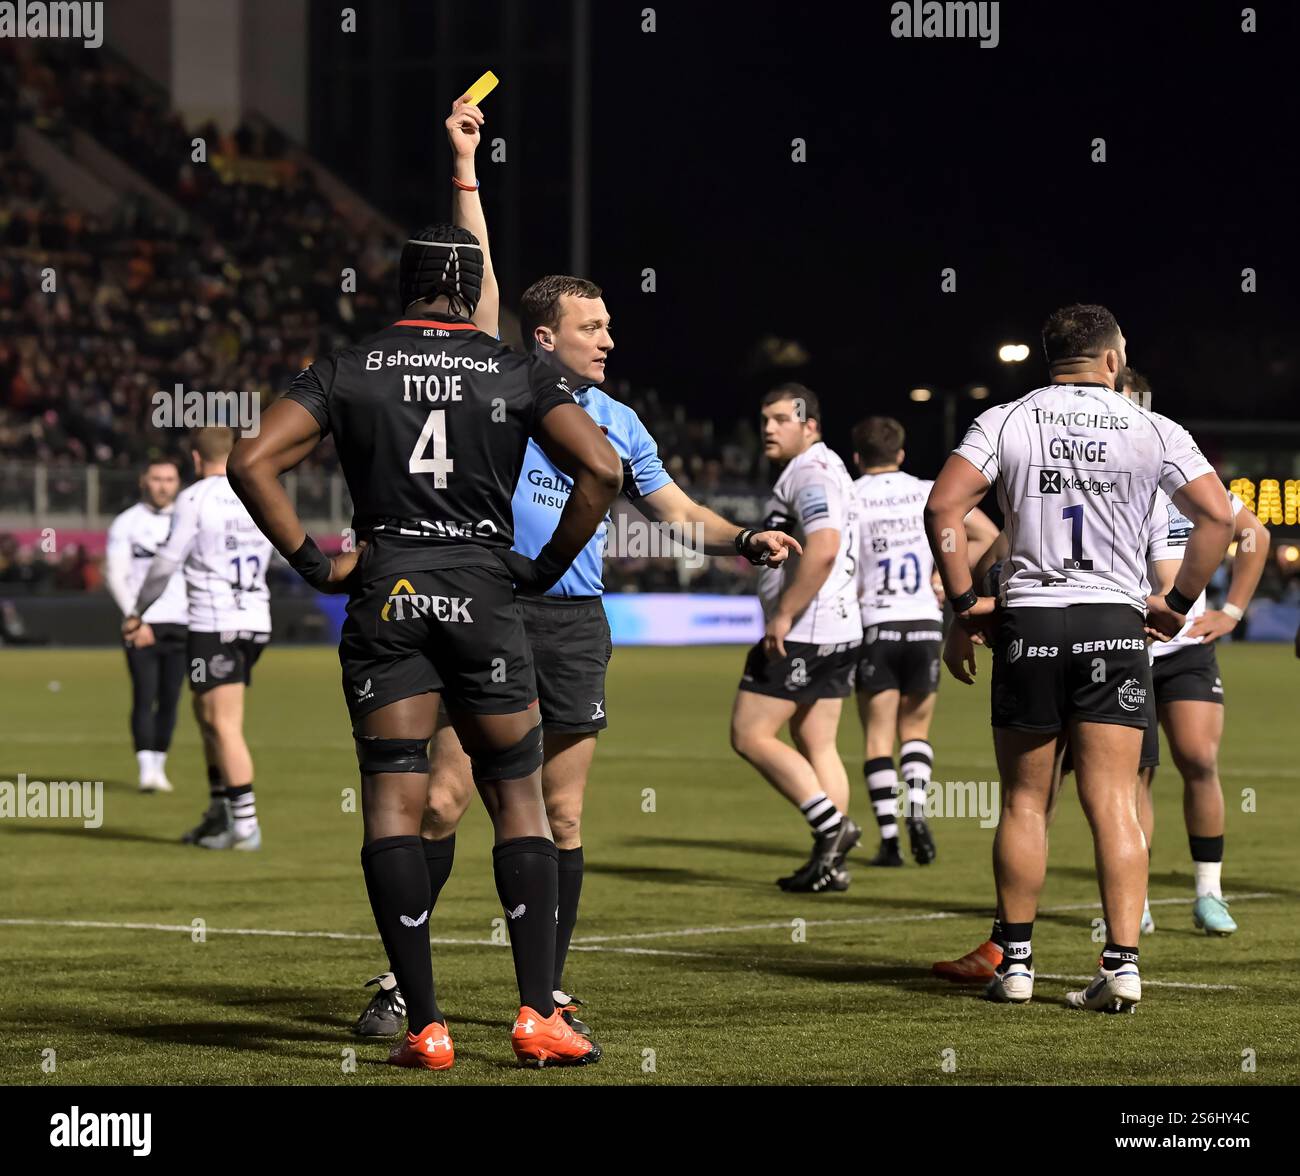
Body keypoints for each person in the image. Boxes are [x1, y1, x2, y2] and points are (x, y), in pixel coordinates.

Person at [351, 95, 800, 1042]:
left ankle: (542, 991)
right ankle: (402, 983)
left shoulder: (621, 421)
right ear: (542, 336)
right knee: (440, 800)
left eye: (608, 324)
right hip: (486, 610)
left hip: (573, 623)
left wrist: (743, 538)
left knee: (560, 814)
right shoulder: (501, 379)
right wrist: (467, 170)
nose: (609, 338)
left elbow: (673, 513)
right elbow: (473, 287)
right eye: (592, 325)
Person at [226, 105, 625, 1065]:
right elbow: (602, 470)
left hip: (389, 598)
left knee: (395, 806)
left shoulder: (353, 366)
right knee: (518, 799)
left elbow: (249, 462)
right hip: (487, 597)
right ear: (474, 291)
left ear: (401, 285)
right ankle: (536, 1017)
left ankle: (430, 1025)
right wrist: (538, 566)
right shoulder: (511, 368)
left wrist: (318, 564)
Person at [924, 303, 1233, 1013]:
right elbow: (1219, 517)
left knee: (1027, 801)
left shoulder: (1007, 418)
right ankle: (1121, 966)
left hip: (1030, 623)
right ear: (1114, 360)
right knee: (1115, 803)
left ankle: (1019, 966)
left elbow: (944, 508)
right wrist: (1179, 602)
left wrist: (966, 602)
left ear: (1048, 357)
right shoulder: (1154, 428)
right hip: (1113, 623)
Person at [731, 384, 863, 893]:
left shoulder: (809, 471)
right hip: (838, 626)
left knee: (749, 734)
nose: (768, 427)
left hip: (806, 629)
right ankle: (830, 865)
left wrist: (783, 614)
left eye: (781, 418)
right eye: (765, 418)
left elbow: (824, 548)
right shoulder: (829, 468)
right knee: (817, 741)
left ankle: (833, 828)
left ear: (810, 425)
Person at [849, 416, 997, 866]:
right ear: (900, 454)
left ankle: (890, 842)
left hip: (875, 622)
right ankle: (916, 808)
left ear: (857, 457)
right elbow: (987, 536)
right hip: (924, 623)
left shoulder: (850, 497)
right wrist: (943, 575)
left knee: (878, 738)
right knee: (915, 731)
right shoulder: (927, 490)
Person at [125, 428, 273, 849]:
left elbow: (166, 563)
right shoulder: (258, 489)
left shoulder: (195, 499)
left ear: (194, 458)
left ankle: (245, 824)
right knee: (206, 715)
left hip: (215, 621)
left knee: (223, 723)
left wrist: (138, 610)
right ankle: (219, 810)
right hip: (255, 619)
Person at [105, 458, 188, 793]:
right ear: (144, 480)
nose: (163, 485)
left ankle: (159, 766)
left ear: (178, 482)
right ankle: (145, 769)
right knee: (144, 695)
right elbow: (115, 573)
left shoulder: (188, 519)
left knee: (170, 698)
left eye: (169, 479)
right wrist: (133, 617)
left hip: (182, 623)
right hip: (142, 623)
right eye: (156, 478)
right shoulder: (127, 523)